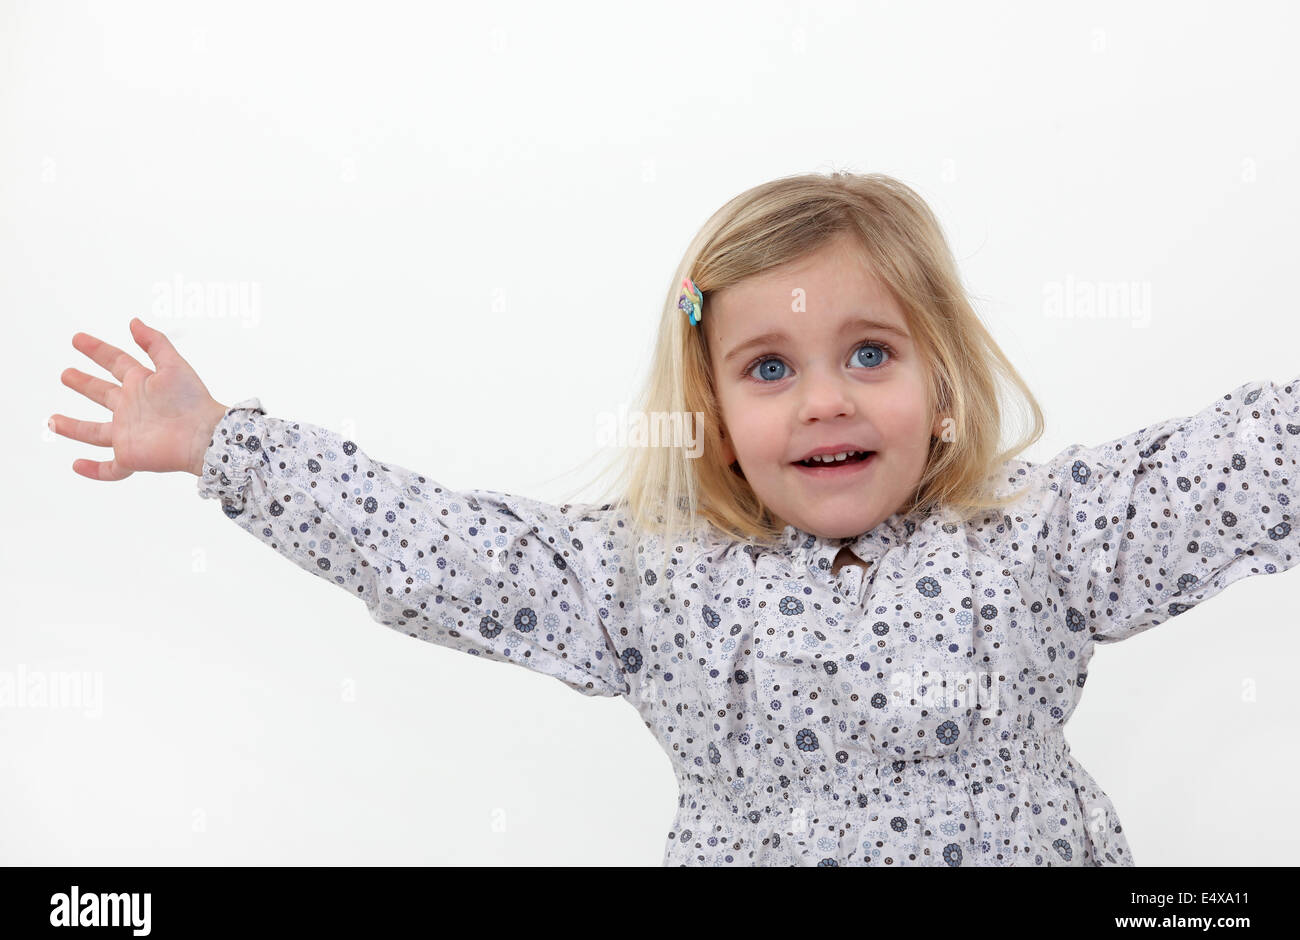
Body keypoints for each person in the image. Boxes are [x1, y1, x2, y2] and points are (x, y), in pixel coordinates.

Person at [50, 171, 1300, 866]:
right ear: (705, 405)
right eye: (768, 367)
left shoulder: (1039, 535)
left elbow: (1240, 459)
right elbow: (444, 551)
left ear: (943, 383)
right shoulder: (654, 577)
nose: (823, 399)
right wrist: (229, 445)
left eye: (869, 352)